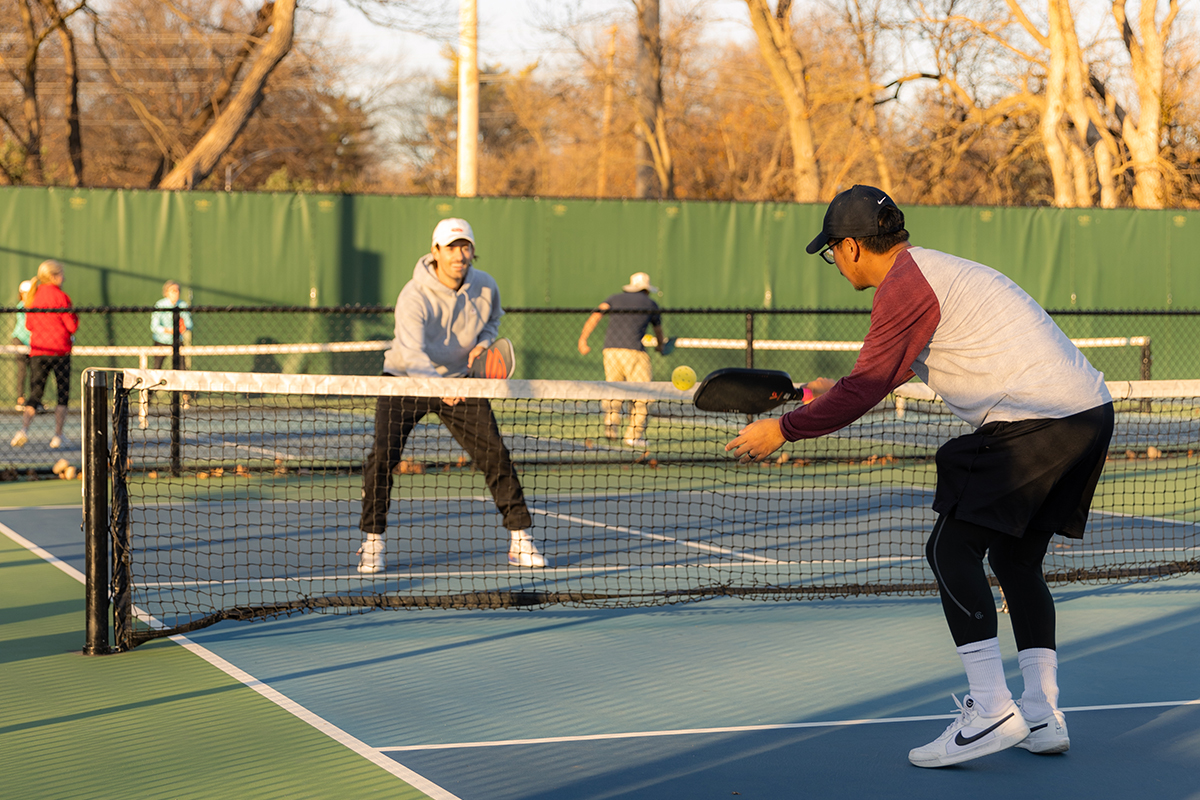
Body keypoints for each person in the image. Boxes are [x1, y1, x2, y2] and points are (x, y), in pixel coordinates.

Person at [726, 185, 1113, 768]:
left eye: (832, 251)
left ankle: (991, 710)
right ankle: (1040, 712)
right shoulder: (932, 273)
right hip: (1088, 414)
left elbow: (866, 386)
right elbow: (880, 377)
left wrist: (783, 430)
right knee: (1014, 561)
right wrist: (811, 398)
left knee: (949, 549)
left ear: (853, 246)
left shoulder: (905, 286)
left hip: (1033, 417)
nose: (835, 263)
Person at [357, 218, 544, 573]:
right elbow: (411, 354)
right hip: (404, 382)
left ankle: (520, 540)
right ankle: (372, 542)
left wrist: (483, 344)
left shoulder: (486, 286)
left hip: (461, 382)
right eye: (452, 247)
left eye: (465, 246)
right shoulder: (413, 295)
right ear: (435, 252)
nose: (459, 254)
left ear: (472, 251)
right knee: (382, 457)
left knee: (495, 455)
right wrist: (440, 388)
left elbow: (493, 321)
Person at [577, 272, 666, 448]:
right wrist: (660, 346)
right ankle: (633, 436)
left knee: (613, 389)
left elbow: (596, 315)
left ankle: (611, 426)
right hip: (634, 352)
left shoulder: (614, 298)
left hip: (610, 351)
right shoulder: (651, 303)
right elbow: (659, 331)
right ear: (646, 290)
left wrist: (583, 339)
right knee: (643, 395)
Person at [13, 260, 79, 449]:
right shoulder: (62, 297)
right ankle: (58, 435)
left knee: (35, 393)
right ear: (53, 276)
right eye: (61, 274)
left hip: (38, 351)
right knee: (62, 394)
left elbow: (29, 325)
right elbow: (72, 326)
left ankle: (23, 430)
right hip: (60, 351)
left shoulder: (33, 297)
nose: (64, 277)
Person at [150, 280, 193, 369]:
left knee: (181, 367)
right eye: (173, 291)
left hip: (177, 341)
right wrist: (169, 330)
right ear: (166, 292)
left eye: (177, 291)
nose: (176, 293)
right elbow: (154, 326)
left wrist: (184, 328)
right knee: (157, 367)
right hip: (161, 341)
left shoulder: (183, 305)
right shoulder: (160, 305)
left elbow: (189, 324)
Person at [10, 279, 32, 410]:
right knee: (22, 369)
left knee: (35, 371)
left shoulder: (36, 306)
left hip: (33, 342)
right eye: (25, 293)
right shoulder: (21, 306)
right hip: (20, 340)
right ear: (21, 293)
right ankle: (20, 399)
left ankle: (33, 400)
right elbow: (26, 325)